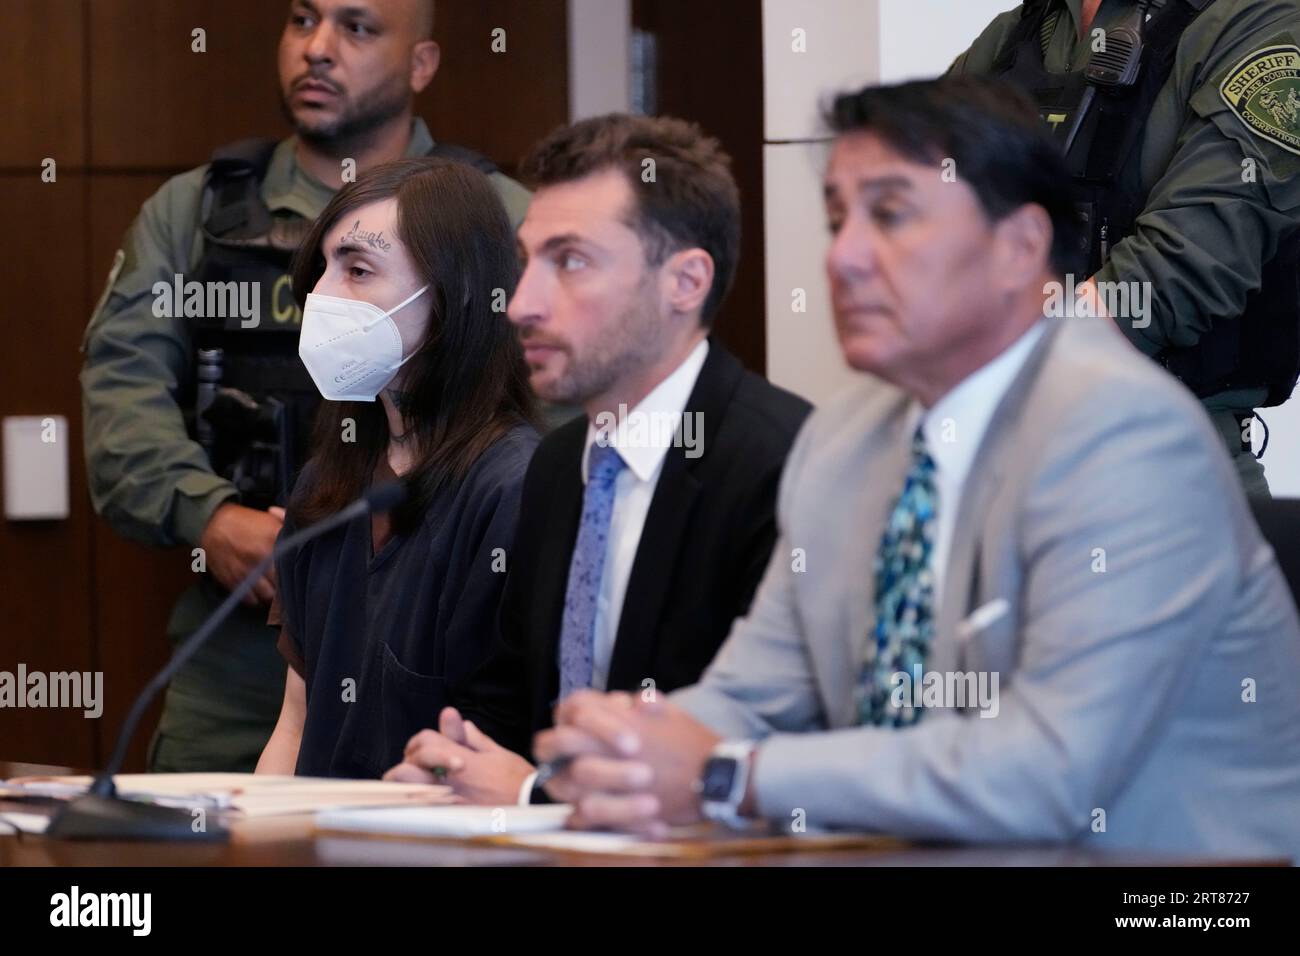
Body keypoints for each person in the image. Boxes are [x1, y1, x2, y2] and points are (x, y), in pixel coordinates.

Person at [532, 78, 1300, 859]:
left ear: (1019, 247)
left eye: (890, 215)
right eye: (837, 220)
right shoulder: (845, 438)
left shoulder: (1125, 435)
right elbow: (751, 696)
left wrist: (728, 774)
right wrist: (625, 748)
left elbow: (1045, 772)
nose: (845, 258)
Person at [79, 0, 529, 772]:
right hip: (234, 639)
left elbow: (545, 413)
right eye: (300, 20)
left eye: (356, 27)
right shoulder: (199, 212)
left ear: (421, 63)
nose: (317, 49)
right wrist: (213, 519)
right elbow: (121, 394)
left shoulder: (498, 219)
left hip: (431, 624)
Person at [382, 114, 812, 805]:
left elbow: (768, 752)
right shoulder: (557, 466)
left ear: (685, 282)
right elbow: (516, 698)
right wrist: (454, 763)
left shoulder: (785, 465)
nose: (522, 304)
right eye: (526, 264)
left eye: (571, 261)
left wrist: (530, 797)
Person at [255, 157, 538, 777]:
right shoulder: (327, 482)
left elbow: (498, 751)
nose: (321, 296)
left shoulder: (512, 488)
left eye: (357, 270)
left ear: (455, 293)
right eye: (321, 270)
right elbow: (294, 726)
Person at [950, 0, 1300, 499]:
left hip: (1164, 476)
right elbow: (914, 226)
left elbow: (1176, 269)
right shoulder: (1019, 34)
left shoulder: (1261, 23)